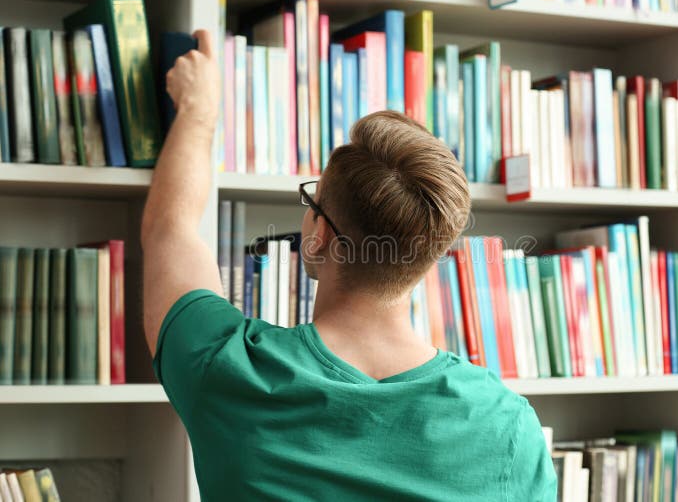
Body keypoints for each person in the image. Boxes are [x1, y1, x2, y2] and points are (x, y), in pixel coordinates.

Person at [141, 29, 557, 501]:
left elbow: (169, 231)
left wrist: (199, 111)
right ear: (430, 259)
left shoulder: (227, 369)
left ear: (318, 236)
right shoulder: (508, 423)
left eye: (312, 202)